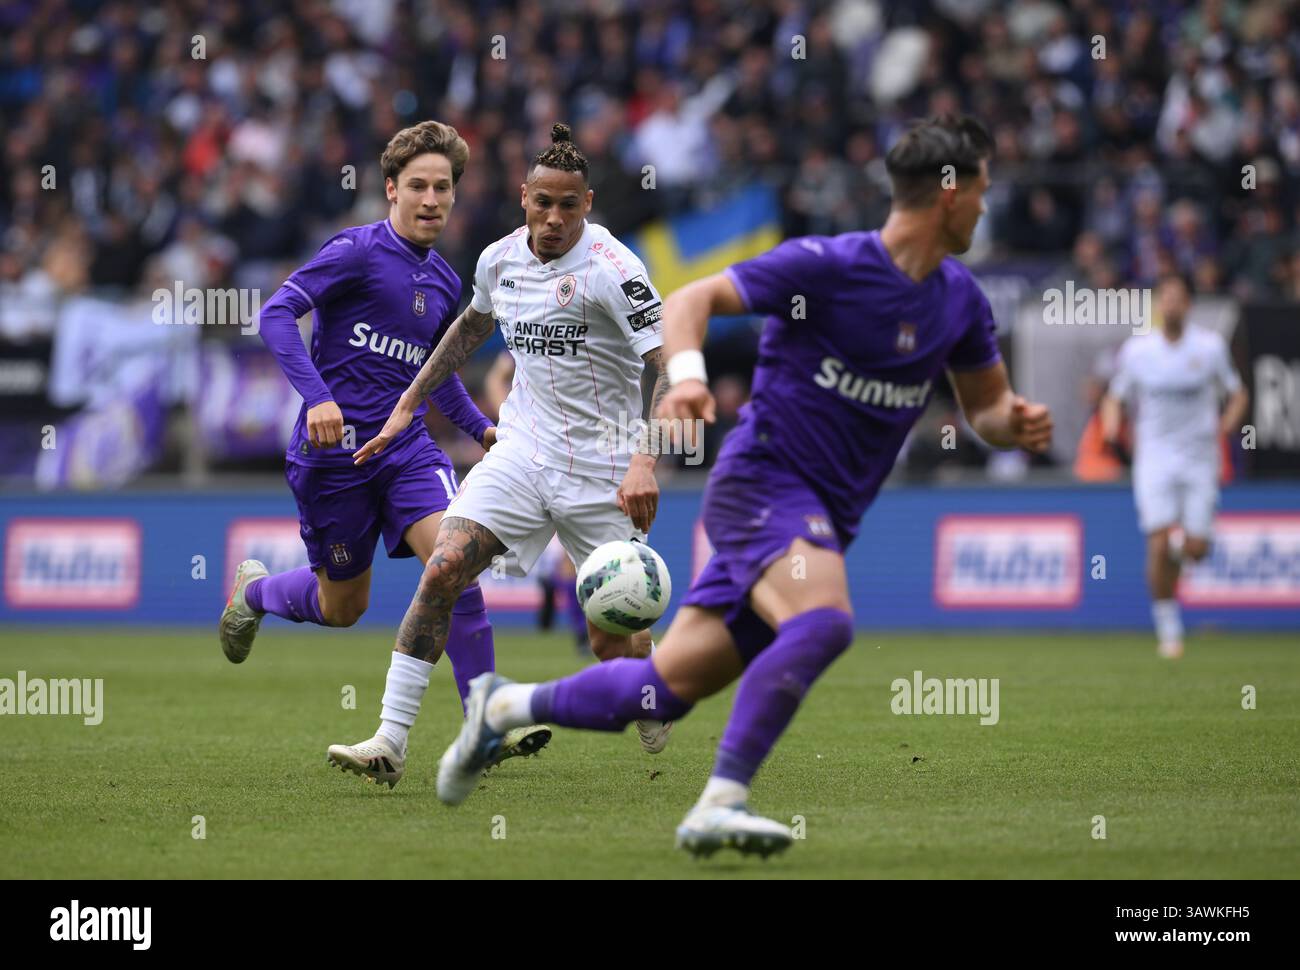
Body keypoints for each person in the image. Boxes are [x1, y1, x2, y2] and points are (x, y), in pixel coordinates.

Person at [436, 115, 1055, 858]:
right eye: (982, 191)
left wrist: (1009, 421)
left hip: (824, 512)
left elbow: (984, 407)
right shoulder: (828, 265)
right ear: (951, 196)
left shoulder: (960, 301)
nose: (987, 207)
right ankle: (720, 802)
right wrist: (688, 383)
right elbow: (690, 302)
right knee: (824, 623)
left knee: (661, 689)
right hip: (765, 482)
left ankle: (502, 706)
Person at [328, 123, 676, 778]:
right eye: (542, 202)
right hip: (520, 453)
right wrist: (407, 407)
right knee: (445, 566)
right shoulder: (499, 260)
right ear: (523, 197)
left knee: (611, 638)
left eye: (567, 206)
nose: (552, 217)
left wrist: (644, 460)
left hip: (602, 467)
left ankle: (644, 671)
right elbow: (469, 329)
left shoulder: (616, 271)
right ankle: (389, 741)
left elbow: (669, 366)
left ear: (587, 204)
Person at [217, 120, 548, 786]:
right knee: (344, 609)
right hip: (333, 454)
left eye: (444, 188)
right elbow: (277, 314)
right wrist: (316, 397)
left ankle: (484, 719)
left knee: (454, 563)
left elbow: (436, 371)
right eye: (418, 186)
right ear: (391, 190)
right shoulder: (356, 252)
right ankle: (255, 594)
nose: (432, 199)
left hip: (406, 451)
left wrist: (483, 430)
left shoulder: (447, 279)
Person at [1101, 273, 1249, 658]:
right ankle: (1169, 630)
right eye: (1164, 298)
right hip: (1155, 458)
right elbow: (1114, 396)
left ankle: (1186, 543)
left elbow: (1237, 394)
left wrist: (1226, 425)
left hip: (1201, 457)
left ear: (1189, 305)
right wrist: (1113, 424)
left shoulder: (1210, 347)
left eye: (1178, 298)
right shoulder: (1137, 351)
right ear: (1157, 304)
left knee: (1196, 549)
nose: (1171, 305)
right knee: (1157, 542)